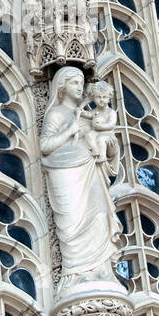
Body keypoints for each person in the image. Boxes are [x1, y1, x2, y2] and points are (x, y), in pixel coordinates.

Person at [40, 67, 122, 291]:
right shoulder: (56, 114)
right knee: (72, 224)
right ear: (62, 86)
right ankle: (75, 274)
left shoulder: (88, 113)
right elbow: (45, 146)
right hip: (66, 175)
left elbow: (102, 141)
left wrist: (111, 147)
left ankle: (99, 271)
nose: (80, 87)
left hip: (90, 172)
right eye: (74, 82)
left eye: (80, 82)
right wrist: (69, 130)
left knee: (99, 216)